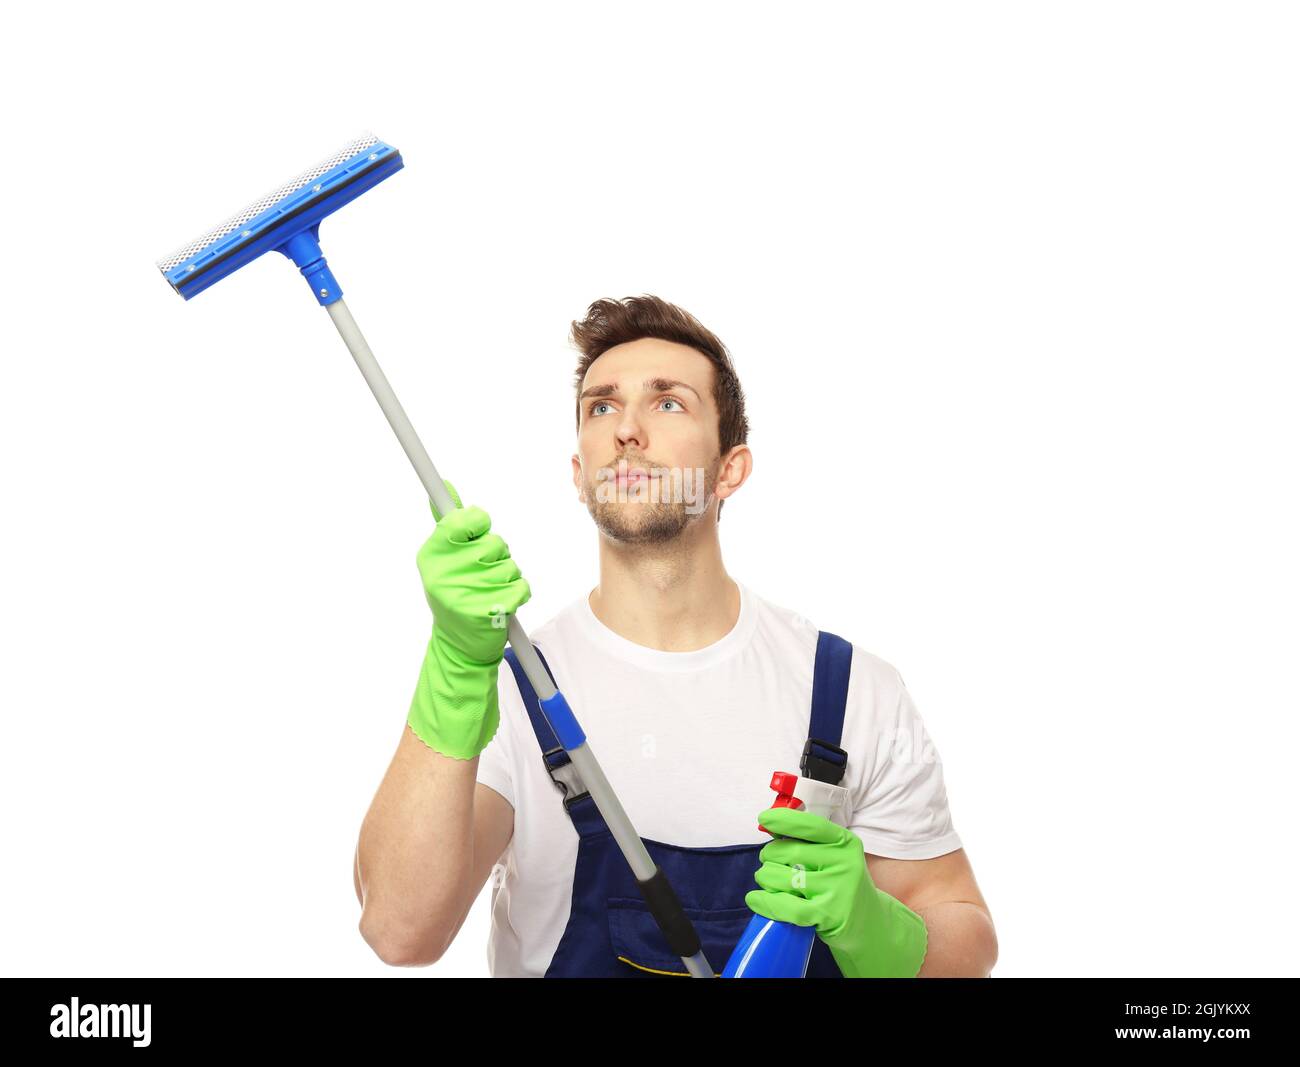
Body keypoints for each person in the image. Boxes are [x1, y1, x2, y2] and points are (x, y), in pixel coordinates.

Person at [353, 295, 998, 977]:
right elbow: (400, 928)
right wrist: (455, 667)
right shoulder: (513, 690)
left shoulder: (850, 690)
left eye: (667, 403)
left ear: (729, 469)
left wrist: (881, 931)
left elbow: (967, 933)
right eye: (601, 406)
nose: (626, 428)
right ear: (580, 473)